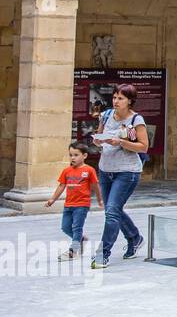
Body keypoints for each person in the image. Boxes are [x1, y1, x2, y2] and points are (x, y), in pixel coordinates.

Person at [91, 83, 150, 269]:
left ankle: (102, 254)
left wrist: (121, 142)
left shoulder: (135, 121)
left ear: (129, 101)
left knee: (112, 212)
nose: (116, 101)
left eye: (120, 98)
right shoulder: (106, 115)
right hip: (105, 169)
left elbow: (143, 146)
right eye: (115, 97)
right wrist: (98, 141)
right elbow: (100, 138)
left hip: (127, 171)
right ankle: (134, 238)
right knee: (113, 210)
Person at [47, 142, 103, 260]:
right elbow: (61, 186)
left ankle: (74, 251)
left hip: (82, 204)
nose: (73, 157)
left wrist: (99, 200)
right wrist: (52, 199)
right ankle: (81, 239)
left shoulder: (89, 170)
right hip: (68, 204)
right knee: (66, 227)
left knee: (77, 227)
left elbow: (95, 186)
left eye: (76, 155)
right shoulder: (67, 171)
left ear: (84, 156)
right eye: (71, 155)